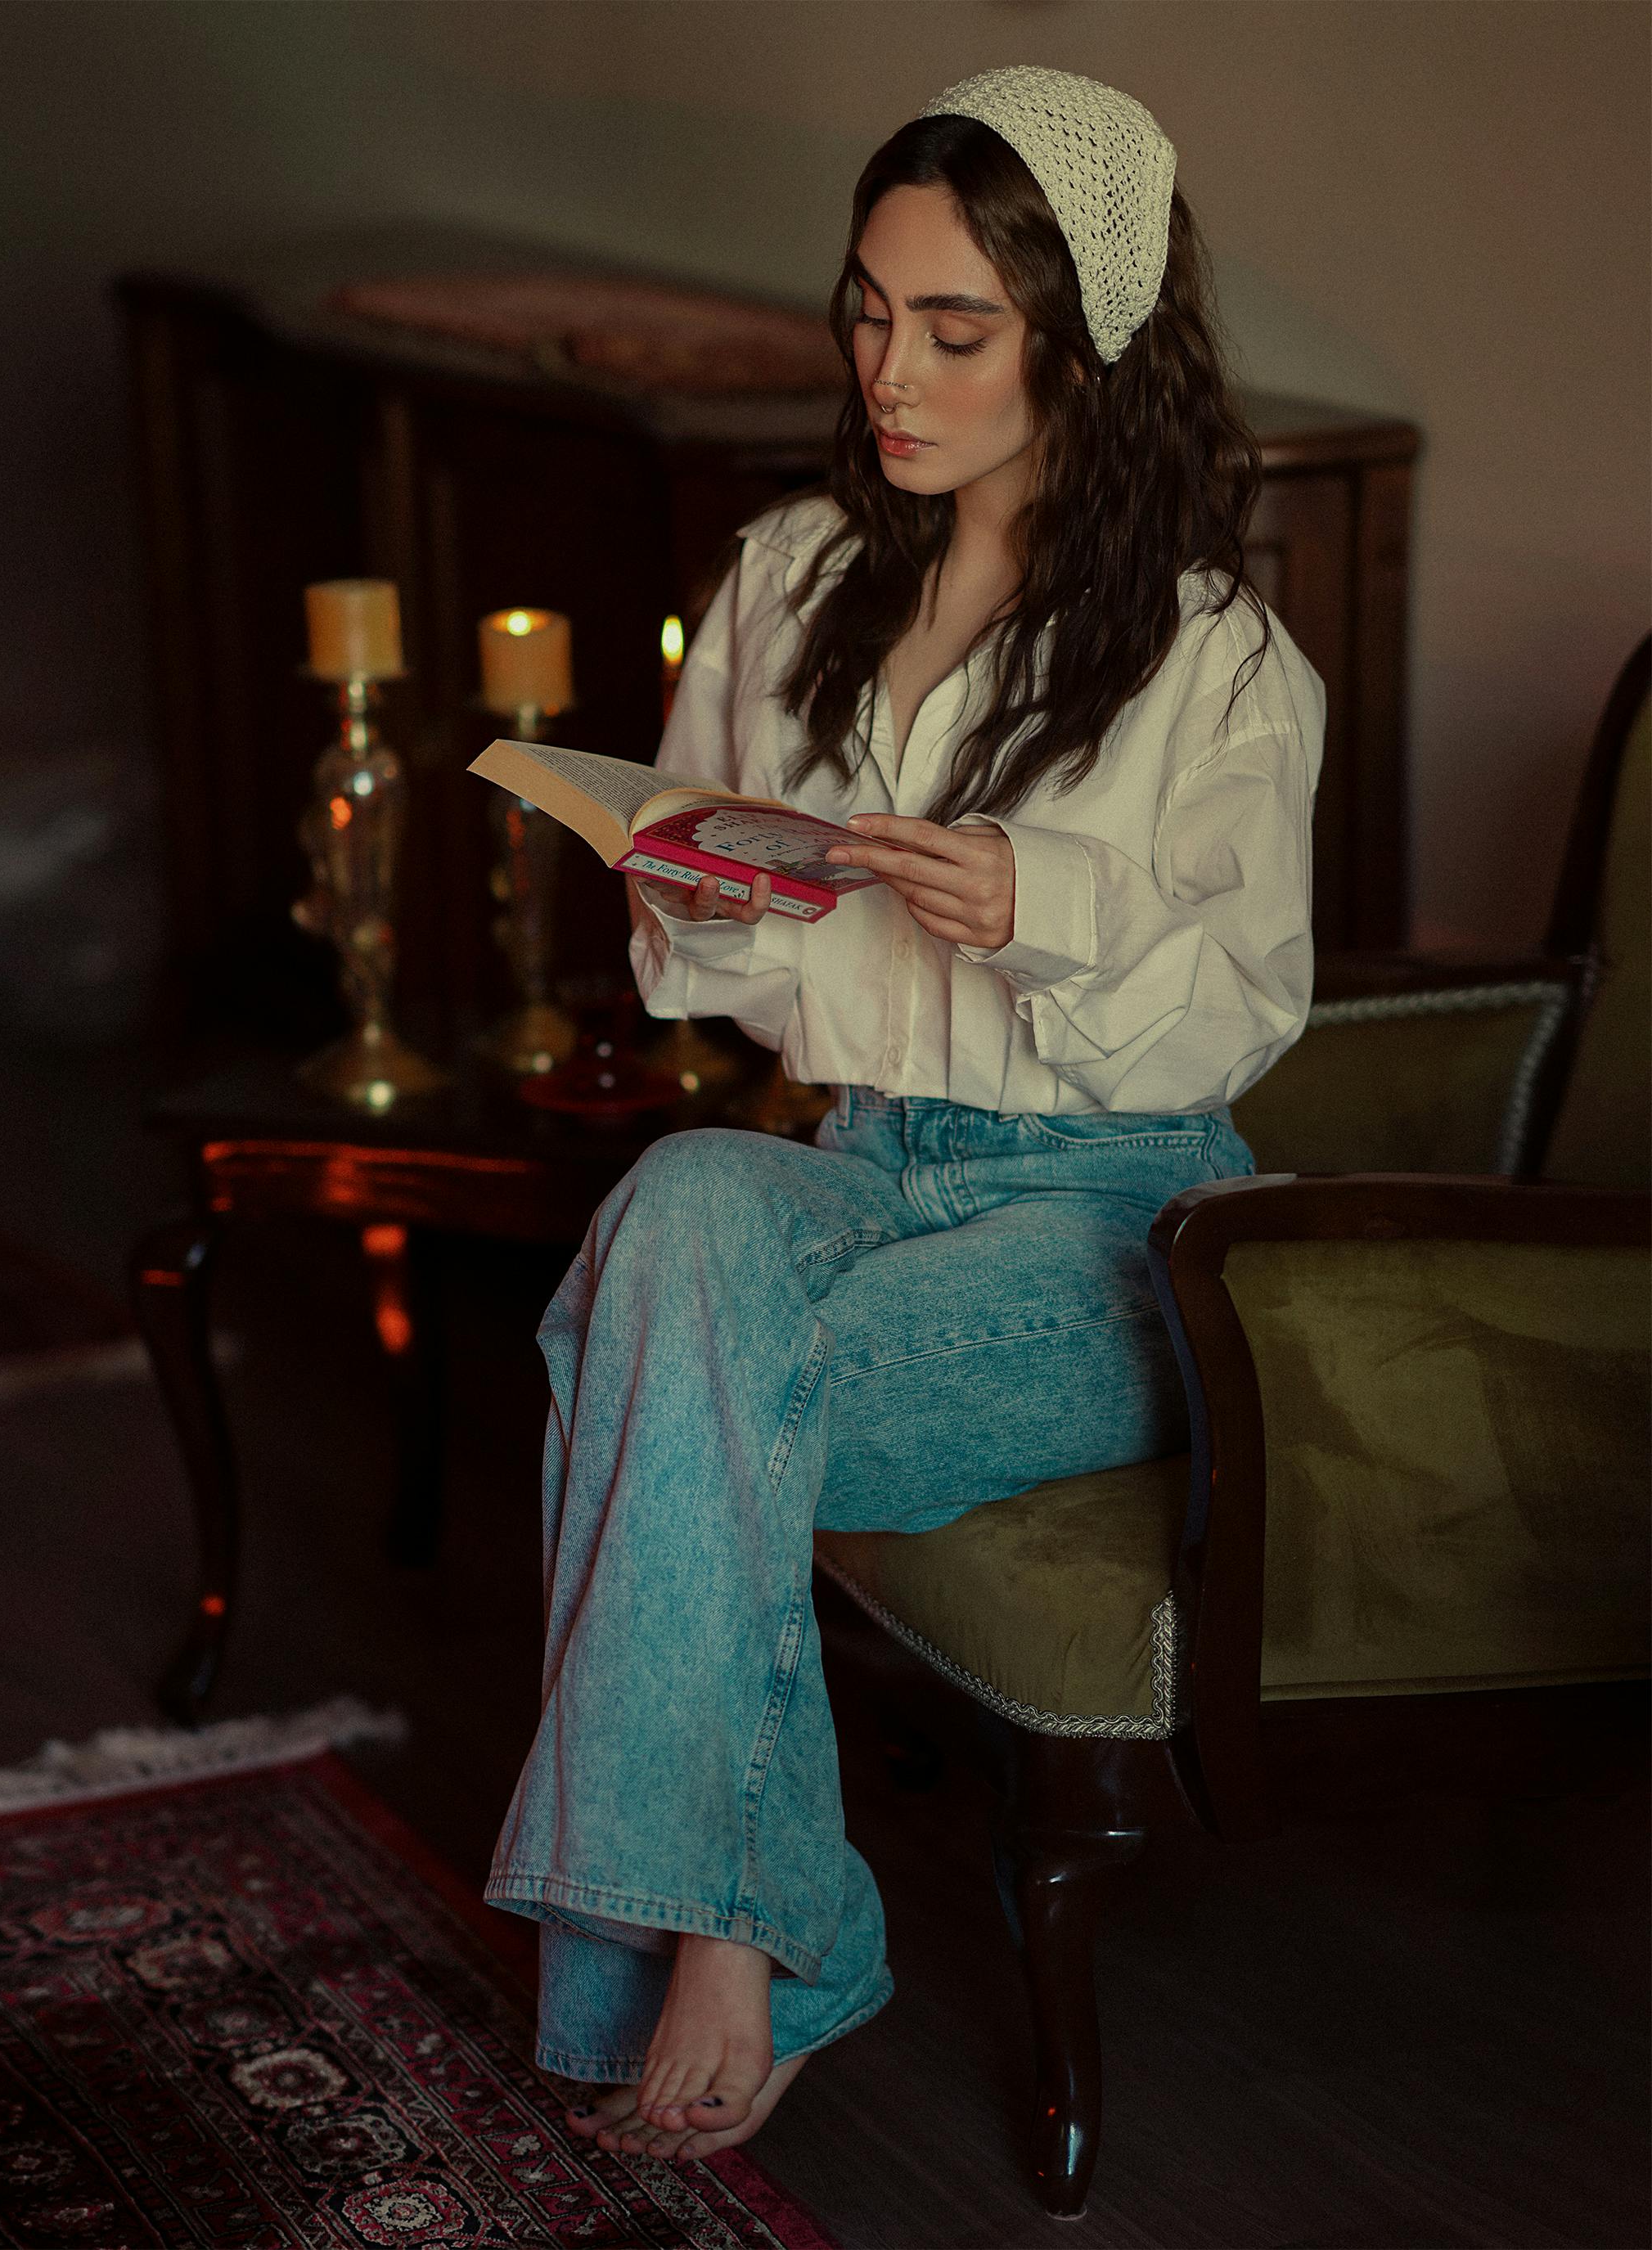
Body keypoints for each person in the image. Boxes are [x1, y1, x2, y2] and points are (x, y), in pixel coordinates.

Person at [485, 64, 1325, 2165]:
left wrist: (1038, 907)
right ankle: (773, 1923)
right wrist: (697, 889)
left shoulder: (1219, 664)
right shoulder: (787, 577)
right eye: (868, 309)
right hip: (861, 1160)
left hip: (1117, 1224)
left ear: (1082, 340)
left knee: (642, 1365)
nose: (890, 366)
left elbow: (1235, 1011)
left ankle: (716, 1942)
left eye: (954, 328)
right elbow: (745, 978)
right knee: (682, 1206)